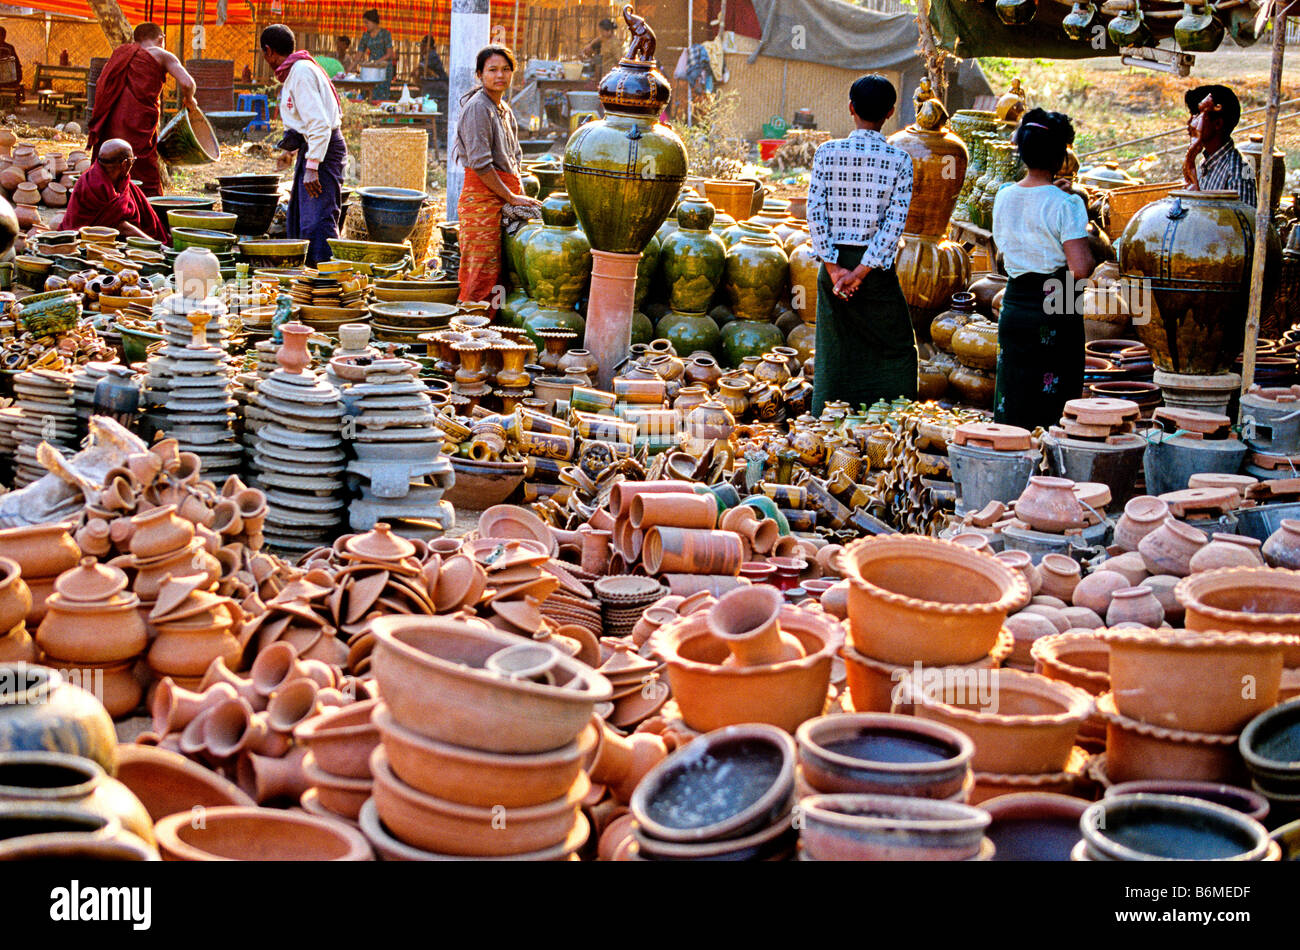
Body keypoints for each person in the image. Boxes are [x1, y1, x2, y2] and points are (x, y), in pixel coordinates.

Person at [806, 74, 915, 416]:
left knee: (834, 351)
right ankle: (888, 426)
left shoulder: (827, 152)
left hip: (834, 267)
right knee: (897, 348)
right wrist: (861, 273)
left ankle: (827, 426)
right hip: (875, 273)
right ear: (891, 113)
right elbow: (893, 226)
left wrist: (835, 268)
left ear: (851, 108)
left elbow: (815, 211)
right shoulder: (901, 161)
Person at [991, 109, 1094, 430]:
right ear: (1061, 155)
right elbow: (1080, 269)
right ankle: (1048, 474)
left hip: (1015, 308)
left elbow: (1002, 254)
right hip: (1055, 310)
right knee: (1052, 408)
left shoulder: (1003, 195)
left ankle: (1008, 463)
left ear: (1021, 151)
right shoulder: (1067, 203)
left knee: (1014, 399)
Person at [451, 45, 539, 305]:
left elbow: (515, 158)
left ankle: (492, 334)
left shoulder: (504, 109)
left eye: (505, 69)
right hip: (482, 199)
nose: (499, 75)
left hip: (503, 196)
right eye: (492, 70)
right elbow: (480, 164)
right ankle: (469, 335)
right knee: (480, 274)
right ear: (480, 74)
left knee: (502, 273)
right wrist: (511, 196)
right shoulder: (479, 108)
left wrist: (517, 196)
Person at [259, 24, 347, 267]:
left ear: (268, 51)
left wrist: (312, 167)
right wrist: (290, 152)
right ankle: (308, 277)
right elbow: (304, 124)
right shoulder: (295, 72)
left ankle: (326, 280)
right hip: (314, 149)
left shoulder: (300, 73)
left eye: (264, 55)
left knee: (318, 221)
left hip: (324, 151)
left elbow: (319, 124)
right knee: (301, 218)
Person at [85, 22, 198, 198]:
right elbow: (187, 83)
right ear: (161, 39)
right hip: (139, 126)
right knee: (145, 176)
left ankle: (108, 208)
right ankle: (144, 213)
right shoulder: (162, 54)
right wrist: (189, 99)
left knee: (110, 168)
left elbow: (101, 85)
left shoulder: (120, 54)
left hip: (111, 123)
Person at [61, 139, 167, 241]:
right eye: (132, 160)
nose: (133, 164)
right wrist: (156, 245)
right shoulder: (93, 185)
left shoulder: (122, 182)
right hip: (87, 239)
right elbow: (119, 226)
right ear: (124, 164)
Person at [1183, 83, 1256, 206]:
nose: (1190, 122)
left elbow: (1244, 223)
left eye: (1196, 115)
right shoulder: (1205, 164)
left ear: (1217, 124)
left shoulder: (1236, 171)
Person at [350, 10, 395, 100]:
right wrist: (348, 70)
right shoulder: (366, 36)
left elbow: (389, 54)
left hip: (383, 68)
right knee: (368, 92)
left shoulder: (385, 34)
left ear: (374, 22)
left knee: (381, 94)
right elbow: (358, 55)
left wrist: (376, 62)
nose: (365, 25)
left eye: (367, 22)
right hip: (370, 69)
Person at [418, 35, 449, 103]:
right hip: (435, 87)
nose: (421, 48)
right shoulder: (425, 56)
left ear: (428, 46)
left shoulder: (432, 55)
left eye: (423, 46)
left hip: (439, 87)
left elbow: (420, 68)